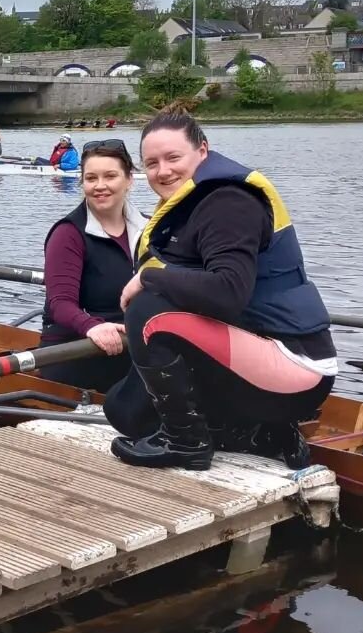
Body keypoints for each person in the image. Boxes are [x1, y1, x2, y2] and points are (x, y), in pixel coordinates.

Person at [105, 107, 336, 471]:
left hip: (294, 365)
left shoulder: (229, 202)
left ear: (203, 151)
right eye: (151, 163)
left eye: (173, 157)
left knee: (147, 310)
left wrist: (149, 277)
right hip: (252, 349)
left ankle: (187, 444)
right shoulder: (193, 201)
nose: (162, 171)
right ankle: (261, 432)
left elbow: (228, 293)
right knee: (124, 411)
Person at [39, 140, 144, 390]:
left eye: (110, 176)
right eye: (91, 178)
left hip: (133, 346)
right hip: (77, 350)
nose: (100, 186)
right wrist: (93, 327)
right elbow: (60, 305)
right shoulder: (68, 234)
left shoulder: (150, 229)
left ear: (129, 179)